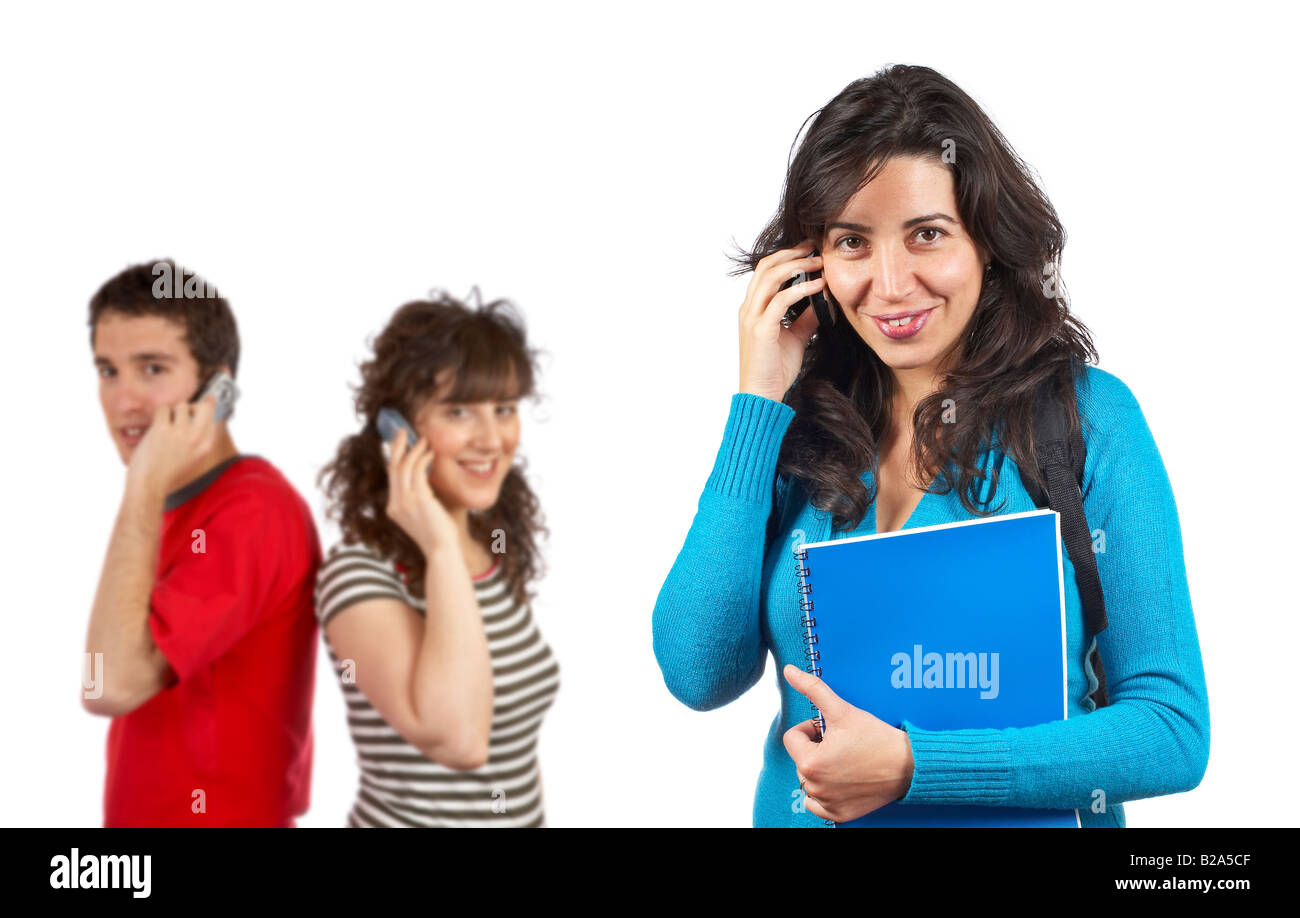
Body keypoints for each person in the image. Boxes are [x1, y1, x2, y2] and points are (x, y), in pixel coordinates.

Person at [652, 64, 1210, 828]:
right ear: (813, 262)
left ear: (987, 240)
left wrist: (916, 767)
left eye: (926, 234)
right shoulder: (798, 428)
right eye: (853, 241)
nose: (889, 283)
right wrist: (757, 403)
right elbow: (698, 672)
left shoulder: (1085, 420)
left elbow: (1172, 731)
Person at [83, 259, 320, 827]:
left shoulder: (252, 512)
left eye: (153, 368)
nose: (123, 400)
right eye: (108, 370)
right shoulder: (171, 508)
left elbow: (106, 685)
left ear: (219, 389)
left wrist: (140, 484)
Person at [317, 291, 559, 827]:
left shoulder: (492, 545)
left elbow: (509, 759)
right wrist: (440, 544)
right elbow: (462, 740)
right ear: (398, 428)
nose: (492, 438)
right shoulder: (359, 572)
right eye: (458, 411)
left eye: (503, 408)